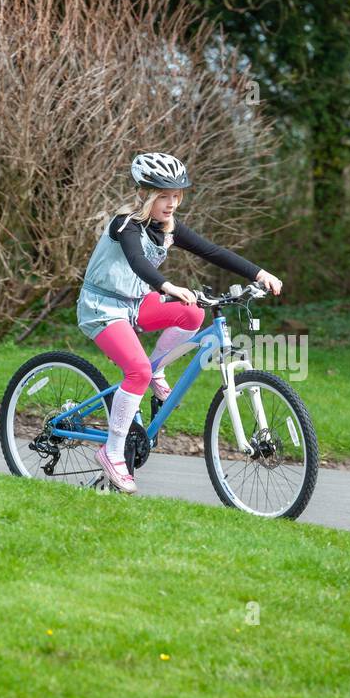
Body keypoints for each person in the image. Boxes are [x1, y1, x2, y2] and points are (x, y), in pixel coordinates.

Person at [76, 152, 284, 494]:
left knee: (193, 313)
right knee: (136, 372)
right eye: (163, 196)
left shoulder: (168, 228)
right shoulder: (125, 224)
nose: (171, 203)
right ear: (145, 194)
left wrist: (260, 273)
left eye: (176, 196)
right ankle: (111, 453)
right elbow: (137, 261)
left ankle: (158, 368)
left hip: (137, 303)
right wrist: (168, 287)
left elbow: (213, 251)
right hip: (103, 307)